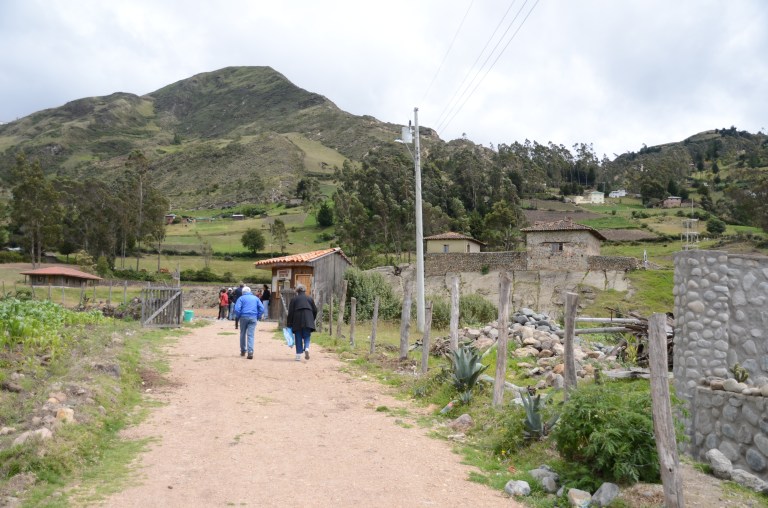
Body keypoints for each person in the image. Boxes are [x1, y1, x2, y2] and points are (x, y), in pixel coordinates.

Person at [286, 284, 317, 361]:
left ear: (297, 291)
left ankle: (298, 355)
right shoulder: (310, 299)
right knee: (307, 335)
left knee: (298, 336)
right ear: (304, 290)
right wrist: (312, 319)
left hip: (297, 320)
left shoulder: (294, 299)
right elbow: (315, 310)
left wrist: (289, 323)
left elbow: (291, 313)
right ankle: (306, 348)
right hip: (308, 319)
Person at [233, 286, 265, 359]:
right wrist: (258, 316)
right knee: (251, 335)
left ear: (243, 292)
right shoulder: (256, 298)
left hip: (243, 317)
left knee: (242, 334)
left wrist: (239, 315)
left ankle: (243, 351)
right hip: (253, 317)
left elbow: (237, 309)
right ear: (250, 291)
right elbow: (262, 309)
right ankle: (250, 352)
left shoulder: (241, 298)